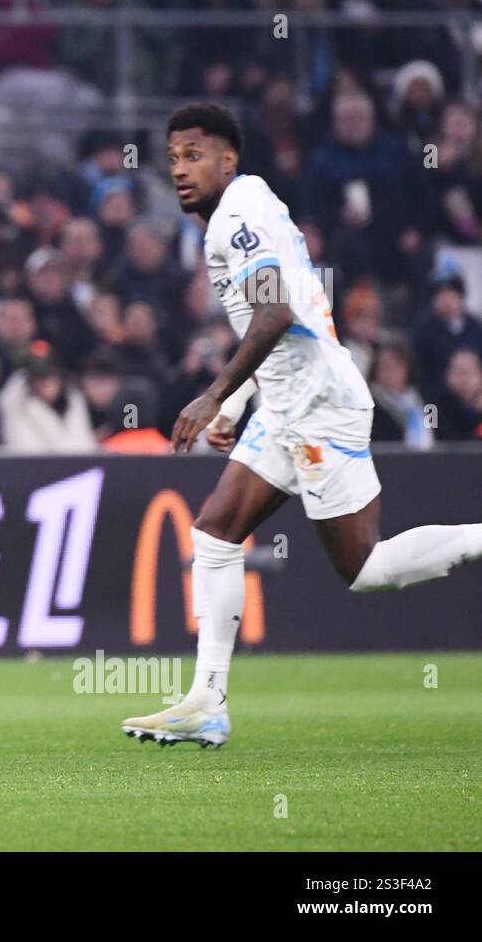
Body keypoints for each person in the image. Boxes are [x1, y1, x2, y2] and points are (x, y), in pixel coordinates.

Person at [123, 103, 482, 748]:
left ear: (229, 159)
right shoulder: (243, 207)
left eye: (195, 154)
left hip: (317, 404)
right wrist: (237, 407)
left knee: (365, 568)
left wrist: (214, 397)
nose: (180, 168)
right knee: (214, 531)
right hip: (290, 400)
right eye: (173, 156)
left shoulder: (237, 216)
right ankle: (206, 702)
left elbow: (274, 314)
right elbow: (276, 324)